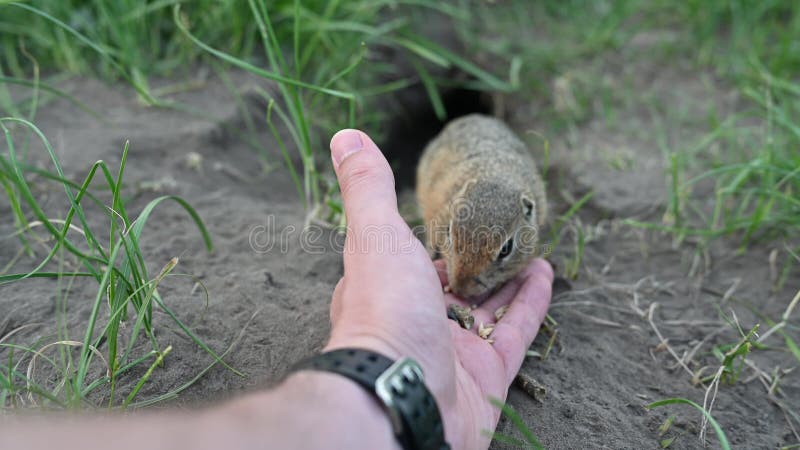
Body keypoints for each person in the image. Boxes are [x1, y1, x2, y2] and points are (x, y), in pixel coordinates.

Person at [0, 129, 553, 450]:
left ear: (530, 218)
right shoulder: (449, 198)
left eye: (499, 256)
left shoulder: (526, 209)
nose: (463, 282)